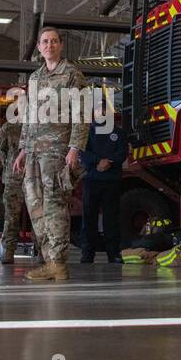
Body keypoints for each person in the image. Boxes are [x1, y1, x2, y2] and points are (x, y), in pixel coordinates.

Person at [13, 27, 89, 282]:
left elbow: (82, 114)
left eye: (54, 41)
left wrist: (74, 149)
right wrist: (23, 149)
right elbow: (28, 117)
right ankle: (50, 260)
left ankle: (58, 262)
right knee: (35, 205)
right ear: (38, 46)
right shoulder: (35, 78)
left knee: (54, 204)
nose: (49, 45)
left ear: (60, 45)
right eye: (45, 41)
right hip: (34, 151)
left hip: (57, 151)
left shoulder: (72, 75)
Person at [79, 96, 128, 263]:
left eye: (105, 109)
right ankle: (87, 254)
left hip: (111, 180)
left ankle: (113, 254)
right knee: (89, 218)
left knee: (111, 219)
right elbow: (82, 153)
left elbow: (122, 153)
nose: (102, 112)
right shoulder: (86, 132)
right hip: (91, 180)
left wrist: (109, 162)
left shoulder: (119, 132)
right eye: (99, 109)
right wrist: (97, 162)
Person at [0, 85, 26, 264]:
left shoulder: (38, 126)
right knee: (11, 217)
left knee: (38, 217)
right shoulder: (9, 127)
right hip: (13, 178)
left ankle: (41, 252)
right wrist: (9, 166)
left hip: (34, 179)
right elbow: (2, 150)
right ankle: (8, 250)